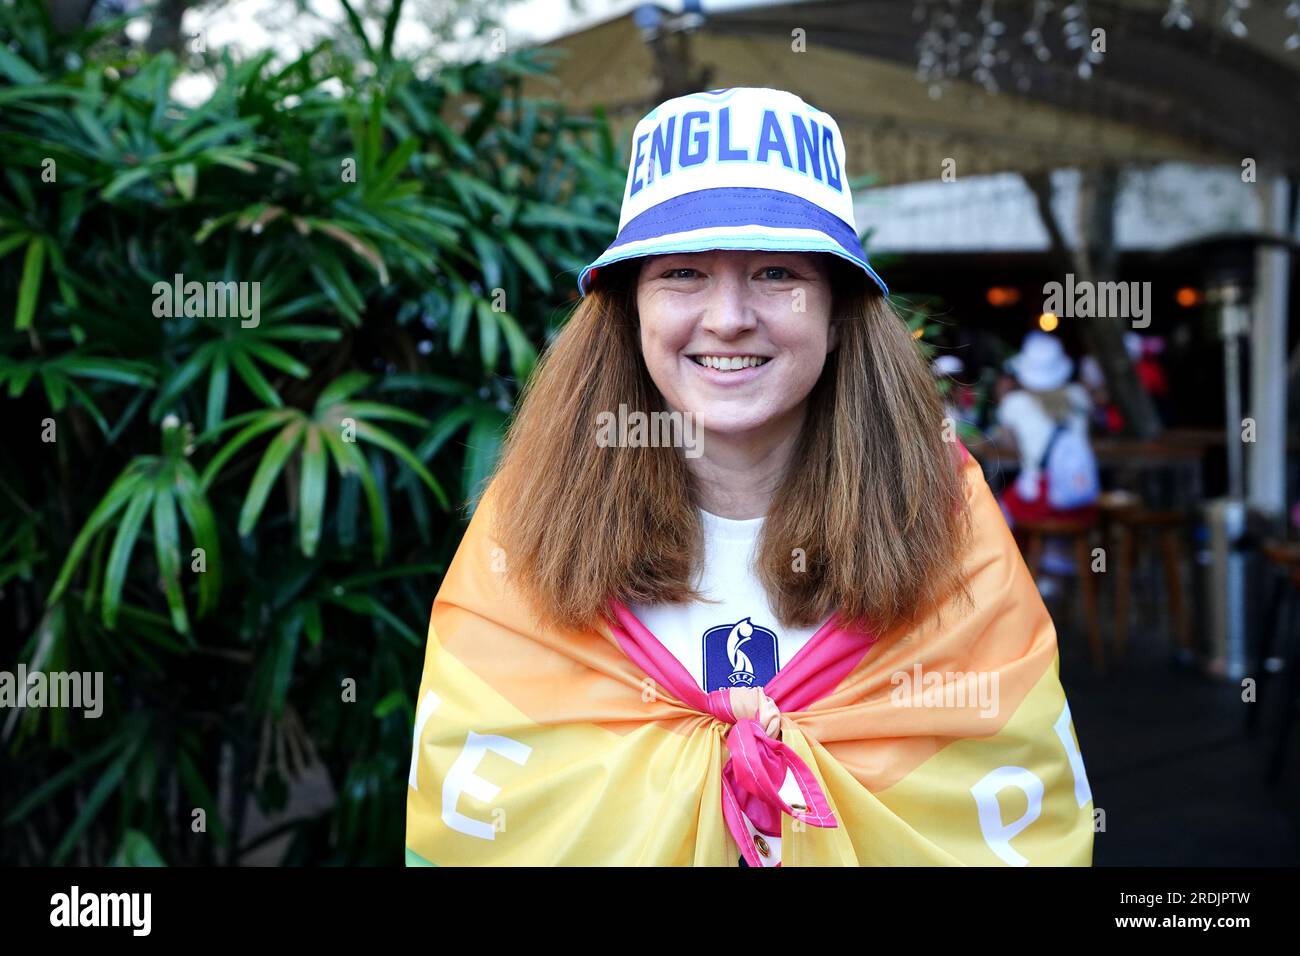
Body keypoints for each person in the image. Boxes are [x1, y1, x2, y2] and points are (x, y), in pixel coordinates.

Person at [406, 88, 1093, 867]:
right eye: (683, 273)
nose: (728, 317)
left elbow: (1012, 822)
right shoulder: (524, 530)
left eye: (774, 272)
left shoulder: (946, 525)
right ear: (630, 309)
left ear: (839, 311)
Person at [995, 331, 1101, 583]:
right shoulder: (1079, 397)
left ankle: (1028, 574)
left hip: (1044, 502)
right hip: (1082, 501)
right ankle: (1053, 560)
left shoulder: (1014, 403)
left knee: (995, 516)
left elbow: (1005, 441)